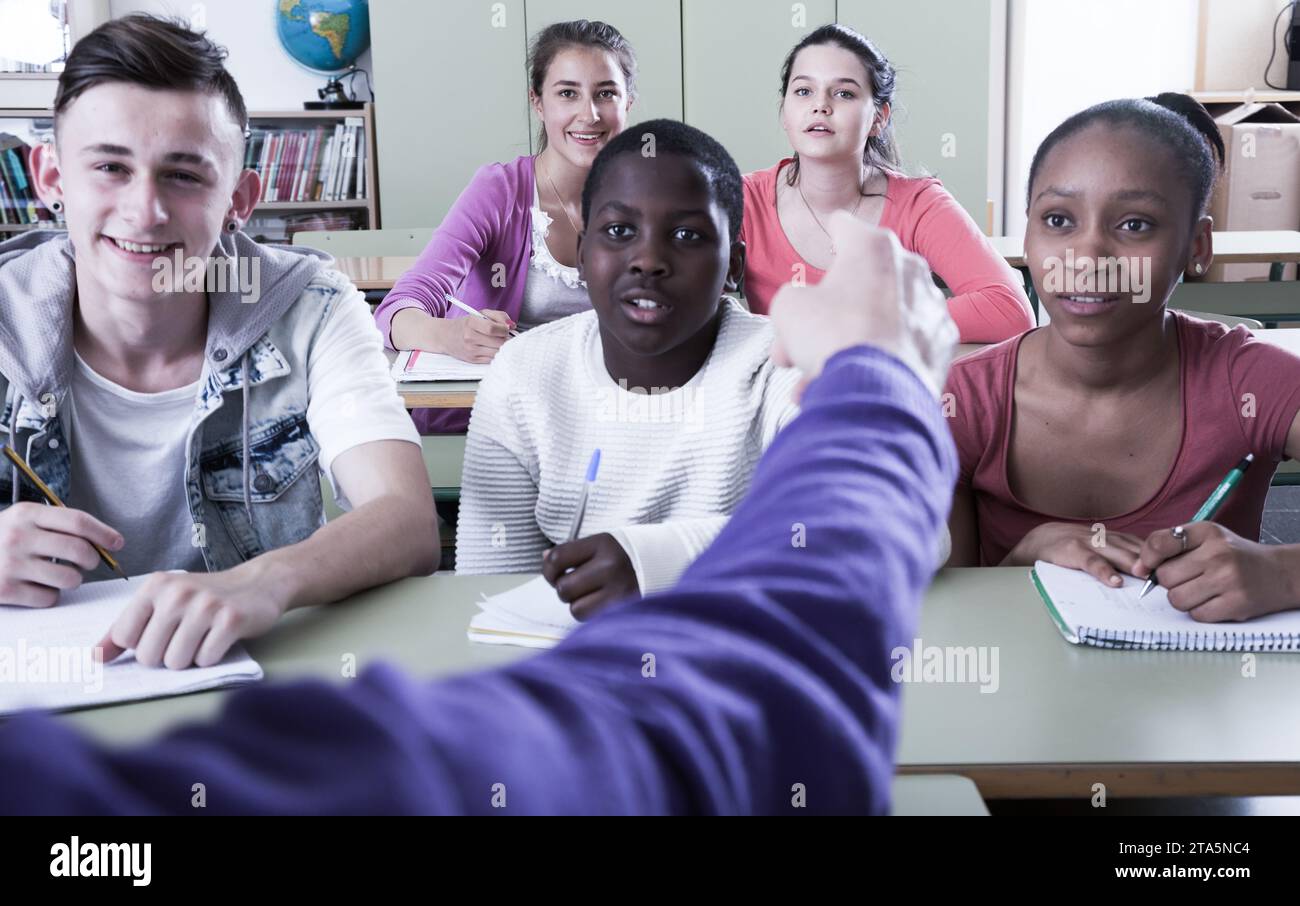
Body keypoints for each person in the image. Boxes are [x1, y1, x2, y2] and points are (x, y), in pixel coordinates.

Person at [0, 212, 958, 815]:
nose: (146, 214)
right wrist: (872, 396)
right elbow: (719, 729)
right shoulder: (536, 365)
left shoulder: (754, 355)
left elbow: (414, 527)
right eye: (616, 232)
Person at [0, 15, 437, 670]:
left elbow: (406, 518)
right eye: (111, 167)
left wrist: (267, 581)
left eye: (183, 175)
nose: (144, 211)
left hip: (260, 689)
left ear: (239, 197)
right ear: (52, 180)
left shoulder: (311, 306)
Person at [944, 94, 1300, 623]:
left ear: (1198, 245)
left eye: (1135, 225)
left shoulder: (1248, 382)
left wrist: (1283, 572)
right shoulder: (960, 403)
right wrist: (1022, 559)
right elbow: (940, 615)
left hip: (1205, 699)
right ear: (1027, 232)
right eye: (1059, 220)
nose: (1086, 258)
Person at [455, 120, 800, 617]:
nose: (648, 260)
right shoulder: (524, 374)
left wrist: (652, 564)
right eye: (619, 231)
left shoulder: (787, 365)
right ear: (581, 253)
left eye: (687, 234)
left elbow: (889, 522)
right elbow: (488, 591)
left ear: (734, 266)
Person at [373, 19, 638, 434]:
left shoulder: (653, 197)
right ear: (538, 103)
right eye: (567, 93)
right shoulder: (500, 191)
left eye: (606, 94)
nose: (588, 114)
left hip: (611, 416)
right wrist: (452, 335)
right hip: (502, 421)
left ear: (628, 103)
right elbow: (395, 312)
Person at [740, 23, 1033, 343]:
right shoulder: (742, 199)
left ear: (878, 118)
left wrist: (869, 326)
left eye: (844, 93)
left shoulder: (920, 204)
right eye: (803, 91)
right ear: (785, 112)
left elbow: (1009, 309)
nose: (820, 105)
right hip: (778, 390)